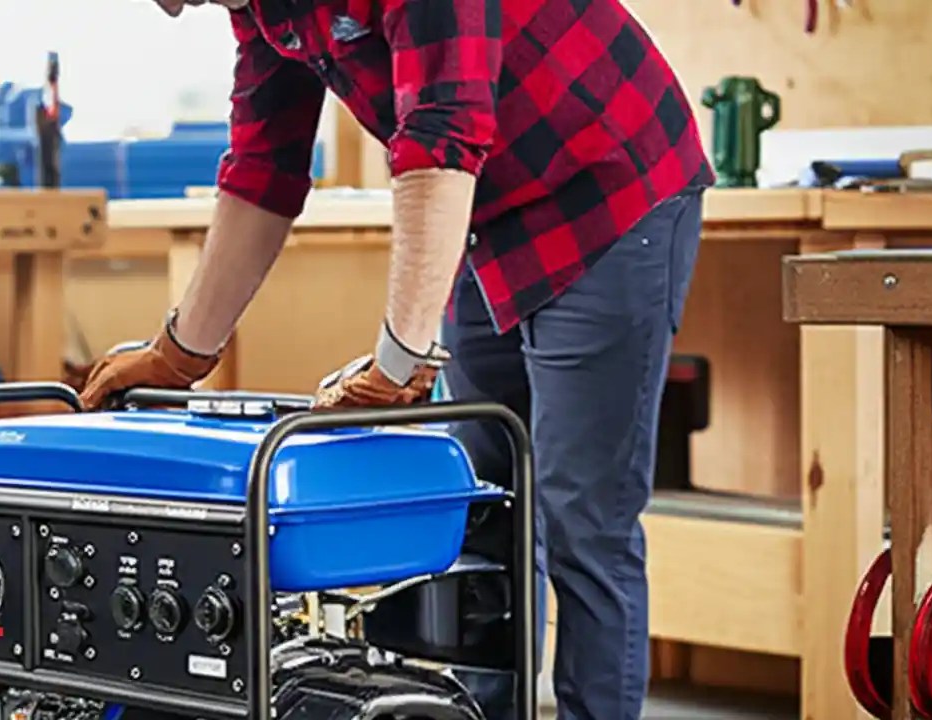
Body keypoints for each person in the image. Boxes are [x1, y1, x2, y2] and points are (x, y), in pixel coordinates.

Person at [74, 0, 713, 717]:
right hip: (486, 209)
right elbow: (264, 163)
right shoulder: (260, 9)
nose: (175, 9)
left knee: (581, 517)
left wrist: (400, 356)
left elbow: (444, 129)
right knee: (482, 504)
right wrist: (179, 353)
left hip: (610, 187)